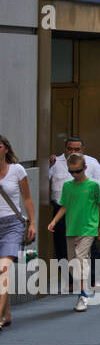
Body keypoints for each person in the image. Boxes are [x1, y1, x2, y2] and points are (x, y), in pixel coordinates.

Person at [48, 137, 100, 291]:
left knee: (90, 249)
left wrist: (98, 219)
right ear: (65, 148)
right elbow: (44, 181)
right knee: (63, 247)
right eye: (70, 148)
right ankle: (71, 281)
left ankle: (94, 281)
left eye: (77, 149)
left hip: (87, 211)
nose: (73, 152)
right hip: (62, 209)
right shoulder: (55, 163)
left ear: (83, 149)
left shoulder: (92, 163)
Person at [0, 134, 37, 330]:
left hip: (12, 224)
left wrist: (32, 223)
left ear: (6, 148)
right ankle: (6, 314)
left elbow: (28, 199)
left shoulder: (17, 170)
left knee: (3, 268)